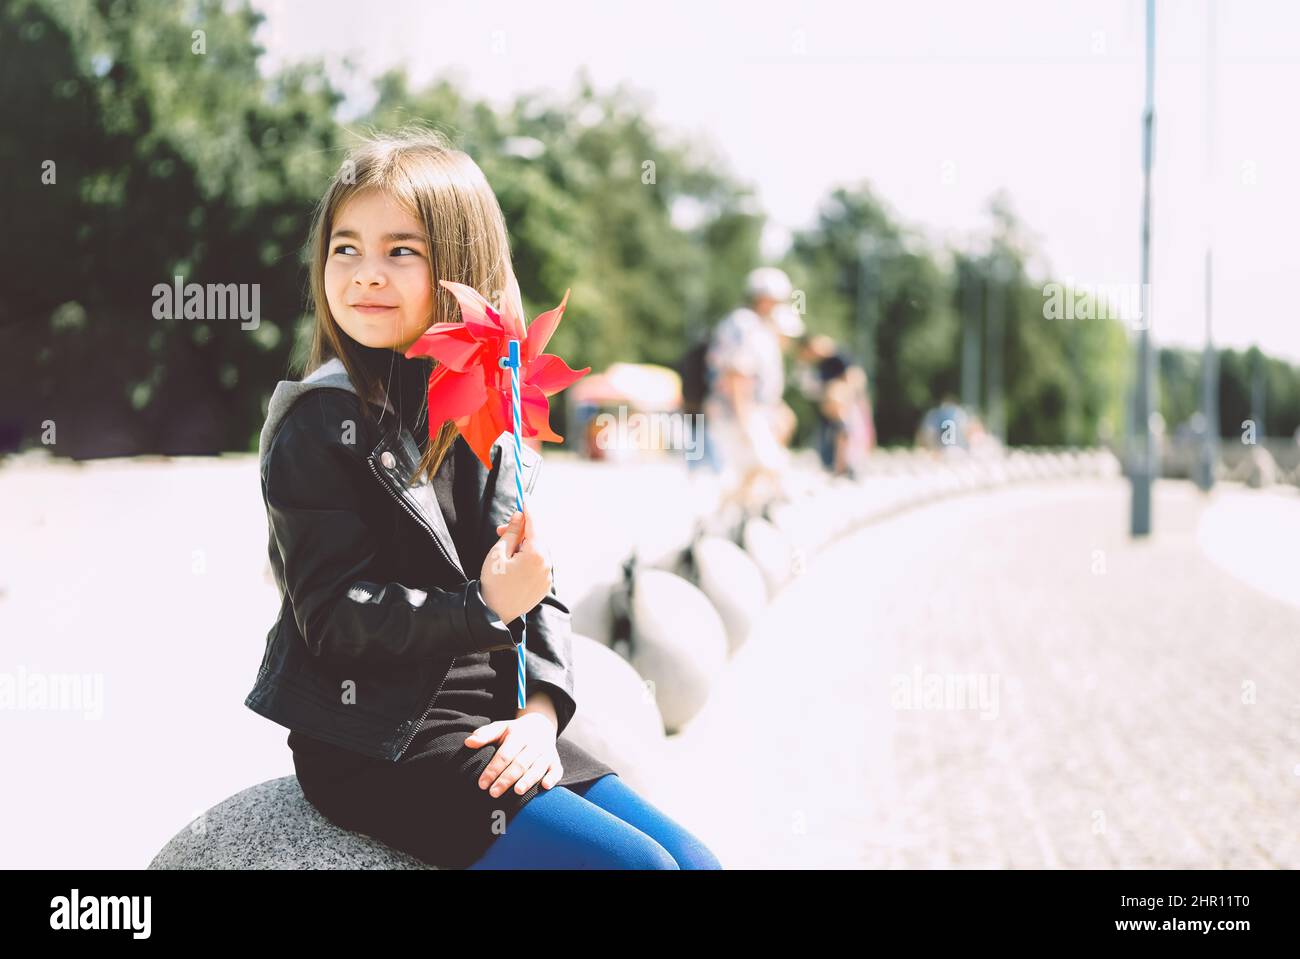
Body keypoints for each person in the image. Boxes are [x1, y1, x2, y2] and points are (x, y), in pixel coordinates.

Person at [244, 128, 720, 870]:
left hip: (500, 716)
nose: (366, 273)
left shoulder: (486, 404)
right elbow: (333, 615)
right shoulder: (320, 419)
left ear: (461, 264)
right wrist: (481, 607)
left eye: (401, 250)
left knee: (695, 861)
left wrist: (541, 711)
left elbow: (539, 588)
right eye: (346, 247)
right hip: (381, 738)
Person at [704, 267, 803, 511]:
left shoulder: (758, 327)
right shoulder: (744, 324)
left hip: (749, 412)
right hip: (738, 412)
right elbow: (738, 376)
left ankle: (726, 521)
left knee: (748, 474)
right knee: (771, 465)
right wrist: (746, 421)